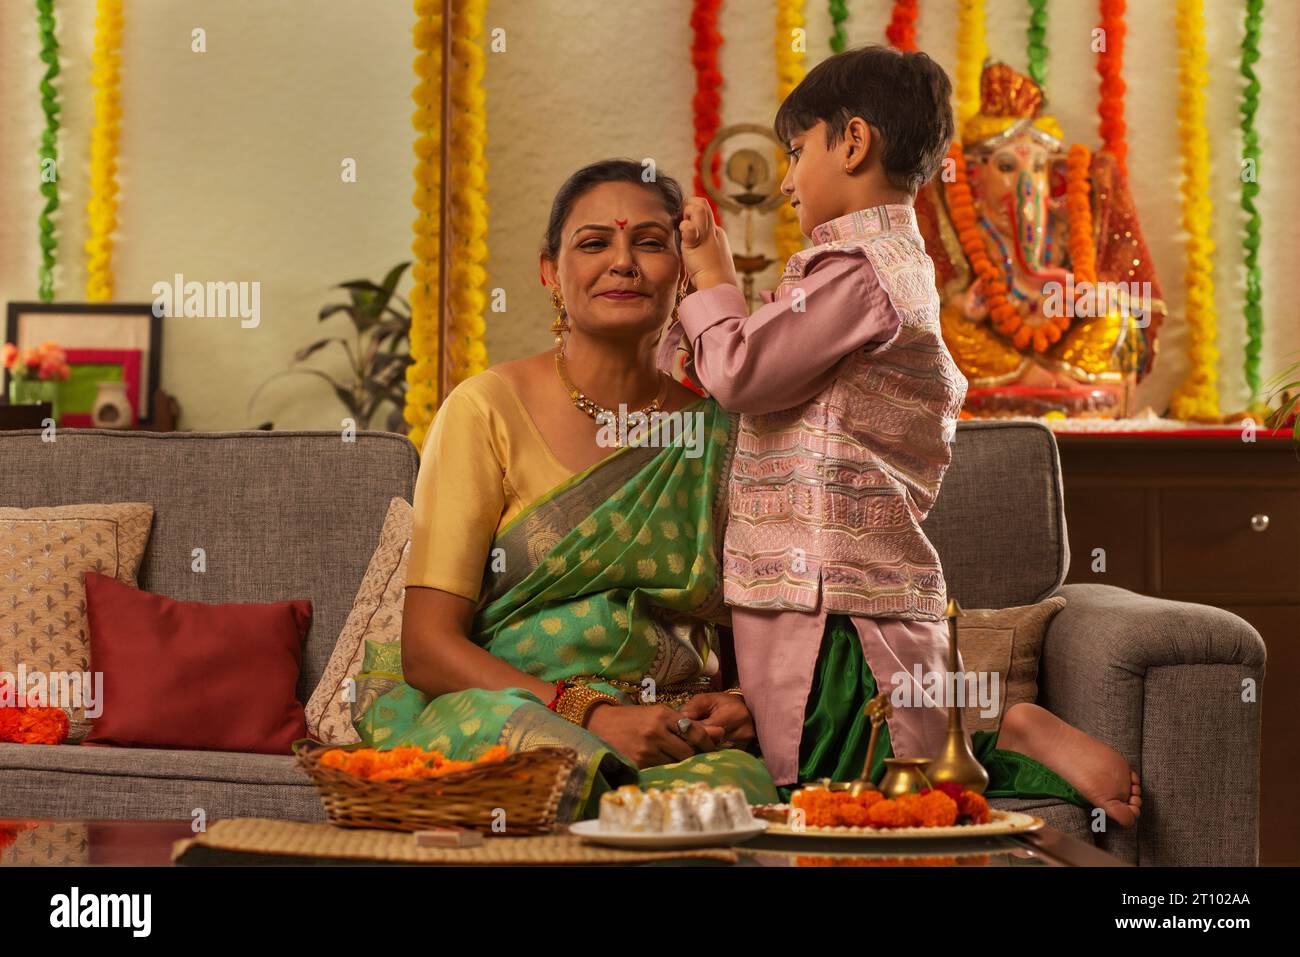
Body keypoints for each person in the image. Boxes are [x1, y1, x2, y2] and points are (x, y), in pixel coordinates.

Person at [661, 45, 1142, 826]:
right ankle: (997, 731)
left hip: (837, 603)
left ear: (852, 144)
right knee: (889, 784)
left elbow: (741, 371)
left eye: (795, 152)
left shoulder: (862, 270)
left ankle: (1006, 735)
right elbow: (740, 370)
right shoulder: (855, 270)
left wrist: (715, 279)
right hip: (823, 590)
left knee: (848, 803)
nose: (784, 181)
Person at [352, 159, 778, 820]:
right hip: (514, 712)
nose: (623, 262)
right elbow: (428, 647)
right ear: (550, 272)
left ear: (683, 270)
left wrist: (743, 701)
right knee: (547, 758)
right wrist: (589, 713)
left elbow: (760, 624)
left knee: (735, 793)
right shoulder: (485, 409)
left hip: (666, 732)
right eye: (594, 243)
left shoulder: (716, 433)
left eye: (649, 242)